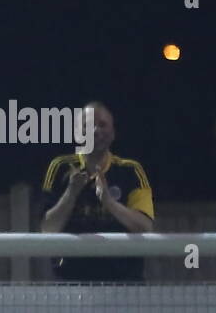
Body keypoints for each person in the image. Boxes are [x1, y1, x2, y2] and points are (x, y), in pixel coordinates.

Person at [39, 100, 154, 281]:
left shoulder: (131, 170)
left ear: (113, 133)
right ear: (78, 133)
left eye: (102, 125)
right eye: (89, 125)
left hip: (125, 285)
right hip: (71, 285)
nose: (96, 131)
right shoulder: (60, 167)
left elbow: (145, 226)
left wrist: (109, 202)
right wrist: (71, 192)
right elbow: (48, 228)